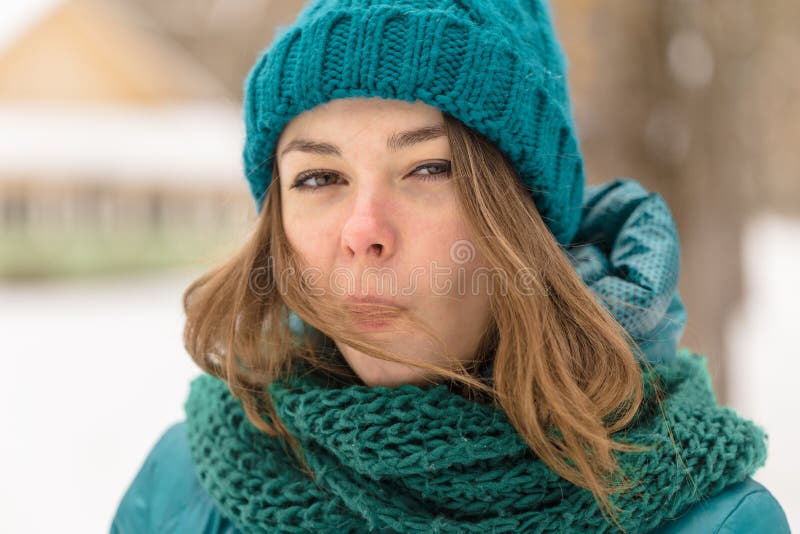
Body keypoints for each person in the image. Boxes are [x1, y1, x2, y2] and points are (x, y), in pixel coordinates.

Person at [111, 1, 790, 532]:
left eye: (428, 169)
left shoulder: (708, 518)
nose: (363, 232)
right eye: (319, 178)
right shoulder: (183, 484)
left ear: (523, 215)